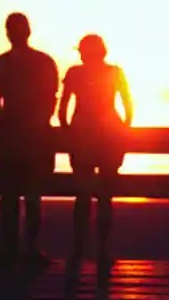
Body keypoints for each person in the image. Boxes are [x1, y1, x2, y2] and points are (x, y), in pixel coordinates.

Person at [0, 12, 59, 266]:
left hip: (14, 137)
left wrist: (4, 121)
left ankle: (12, 248)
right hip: (33, 137)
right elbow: (51, 99)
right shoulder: (44, 62)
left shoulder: (0, 63)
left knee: (11, 197)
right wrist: (41, 121)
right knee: (31, 196)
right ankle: (28, 248)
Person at [58, 34, 133, 264]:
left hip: (81, 134)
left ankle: (80, 248)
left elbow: (62, 107)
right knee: (105, 196)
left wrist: (67, 131)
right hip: (110, 134)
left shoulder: (74, 73)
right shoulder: (115, 72)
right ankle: (102, 248)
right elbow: (128, 104)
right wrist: (124, 129)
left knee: (82, 196)